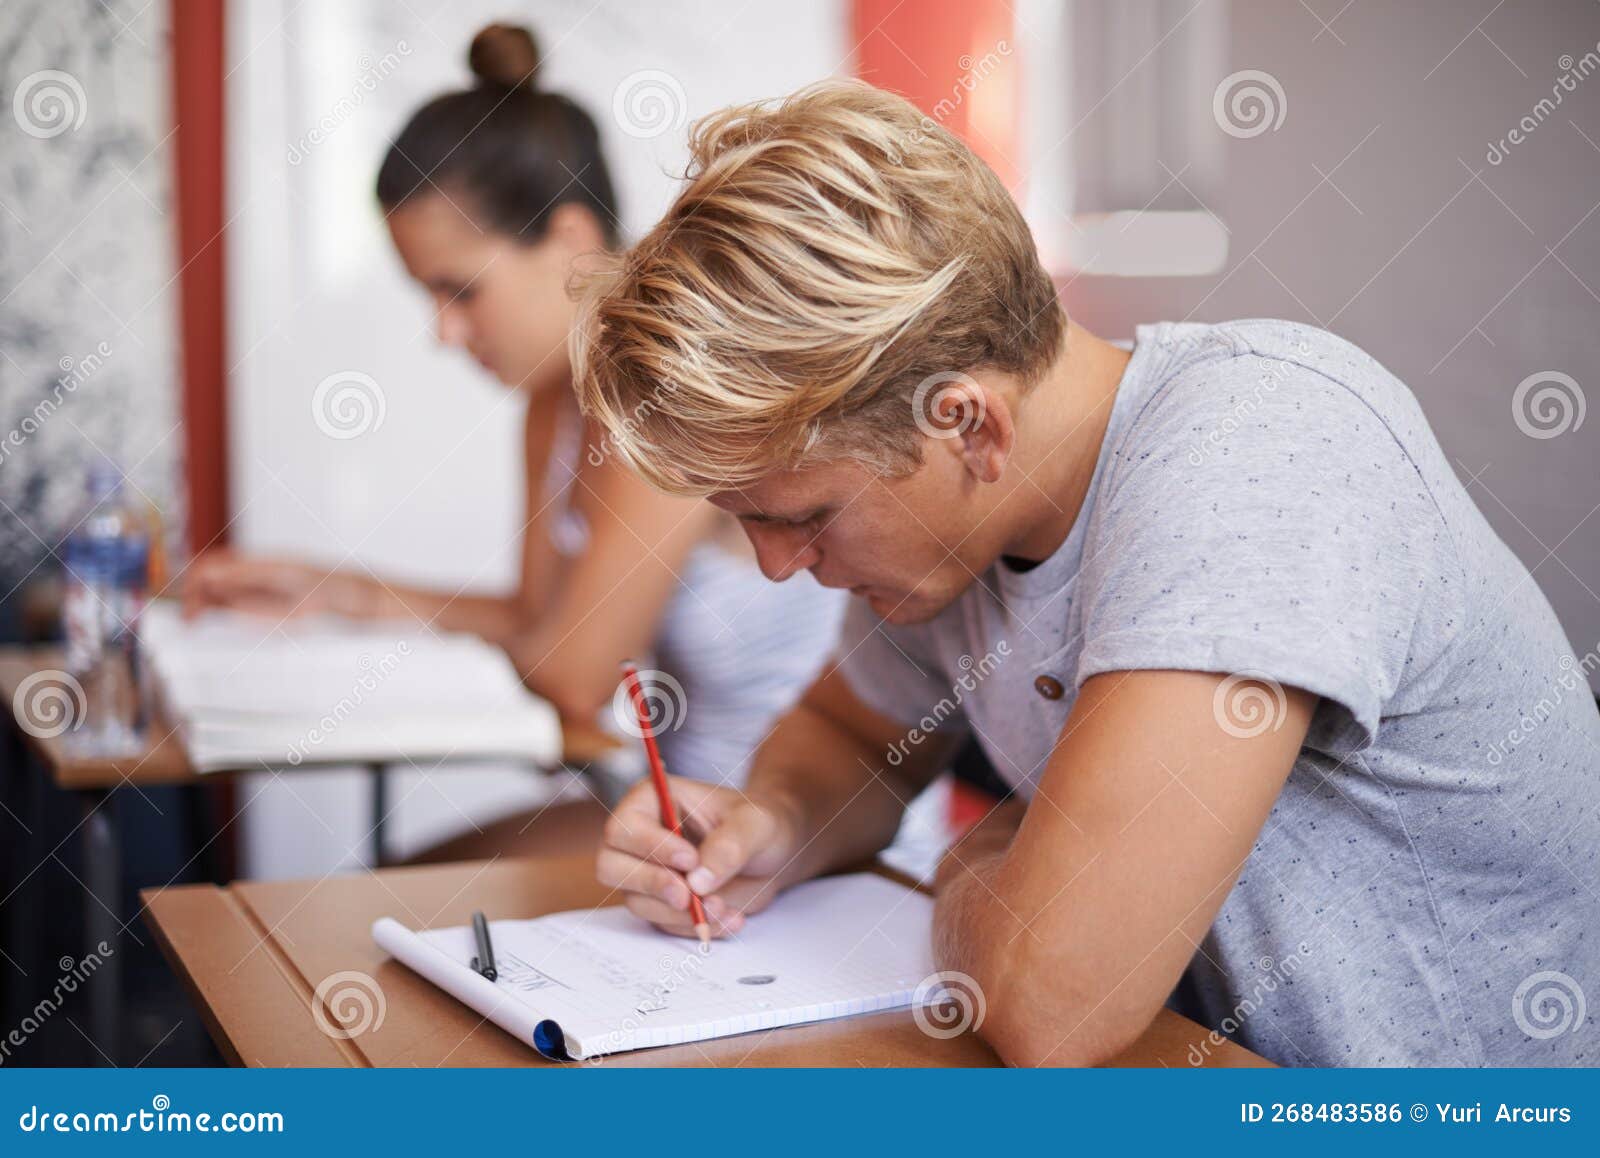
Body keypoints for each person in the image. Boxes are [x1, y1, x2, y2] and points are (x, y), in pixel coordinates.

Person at [573, 80, 1600, 1066]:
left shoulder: (1259, 450)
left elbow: (1052, 1003)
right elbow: (853, 736)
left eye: (802, 518)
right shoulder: (952, 536)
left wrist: (971, 862)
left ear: (967, 423)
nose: (776, 565)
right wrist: (769, 825)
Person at [183, 26, 845, 847]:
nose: (445, 332)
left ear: (570, 242)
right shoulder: (551, 403)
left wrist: (410, 658)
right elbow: (540, 618)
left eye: (460, 290)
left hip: (792, 834)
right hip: (671, 803)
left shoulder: (667, 393)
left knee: (406, 902)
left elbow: (573, 676)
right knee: (401, 892)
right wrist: (332, 595)